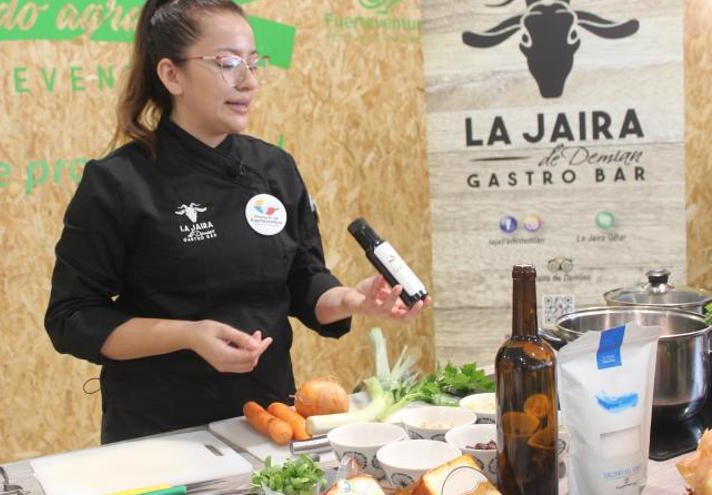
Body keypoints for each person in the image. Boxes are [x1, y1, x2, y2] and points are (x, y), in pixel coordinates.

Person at [44, 0, 430, 444]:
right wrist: (189, 335)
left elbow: (303, 277)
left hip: (270, 422)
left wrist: (349, 300)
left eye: (252, 63)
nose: (249, 81)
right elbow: (72, 317)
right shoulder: (118, 182)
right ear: (172, 75)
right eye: (228, 64)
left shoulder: (274, 168)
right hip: (158, 434)